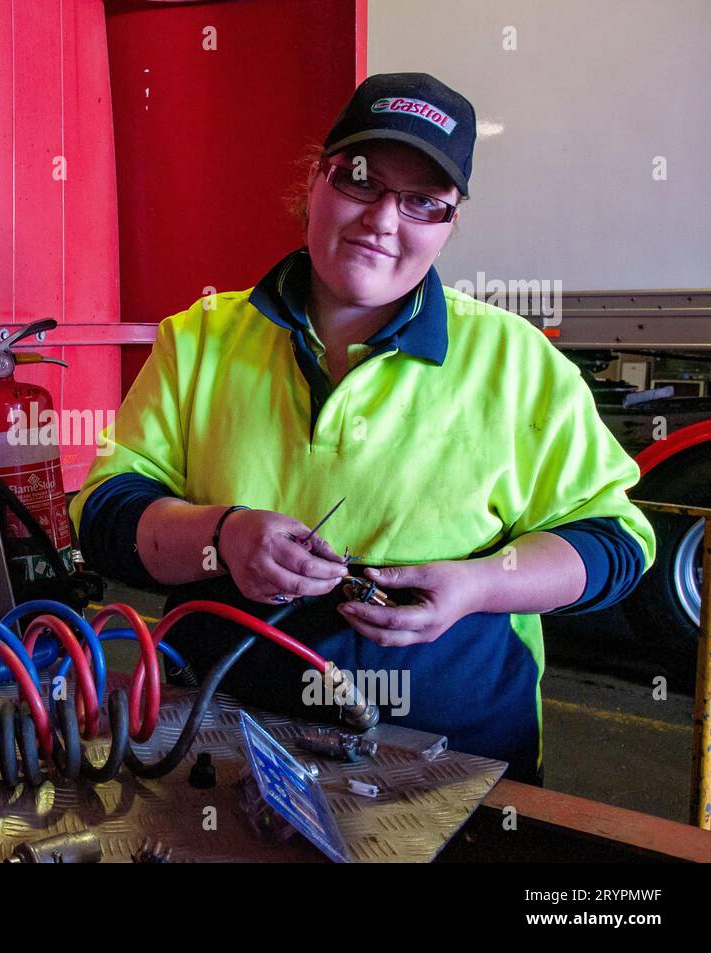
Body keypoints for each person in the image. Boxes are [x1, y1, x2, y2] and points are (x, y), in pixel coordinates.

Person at [67, 73, 654, 784]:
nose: (383, 219)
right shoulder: (199, 342)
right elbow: (103, 516)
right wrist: (221, 538)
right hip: (217, 749)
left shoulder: (515, 362)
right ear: (315, 182)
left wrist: (476, 585)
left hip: (456, 759)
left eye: (422, 203)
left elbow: (614, 543)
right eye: (361, 180)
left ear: (449, 223)